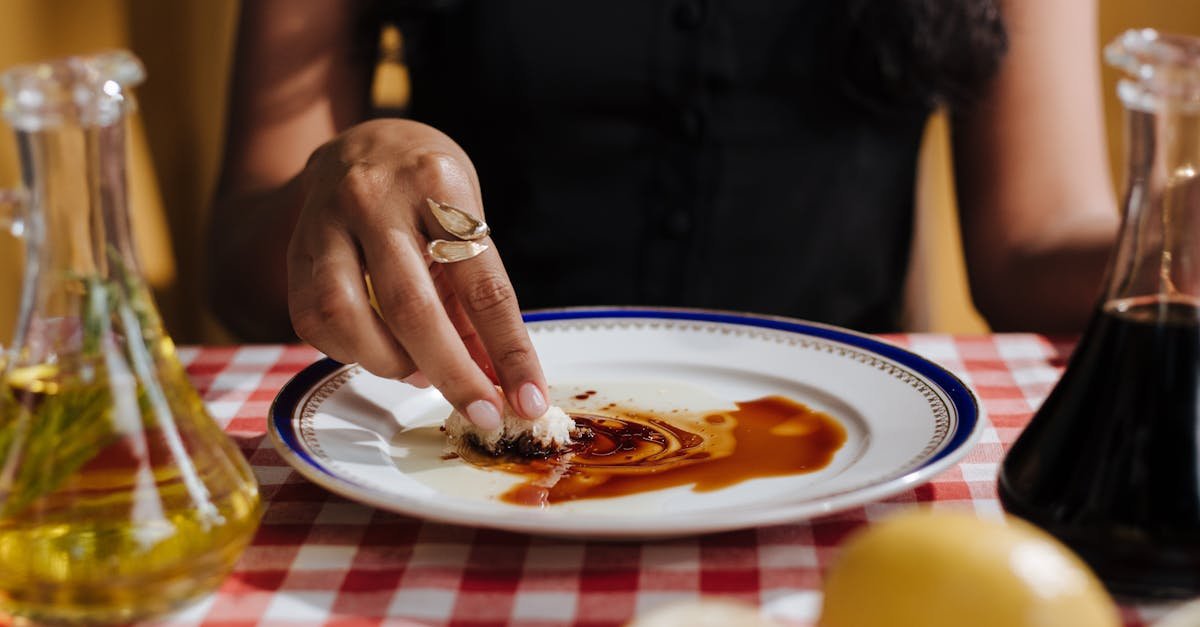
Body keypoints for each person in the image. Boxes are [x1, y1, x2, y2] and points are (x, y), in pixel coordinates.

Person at [208, 0, 1118, 429]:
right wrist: (341, 178)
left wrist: (1173, 232)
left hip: (849, 447)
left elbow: (1034, 244)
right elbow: (242, 268)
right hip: (456, 430)